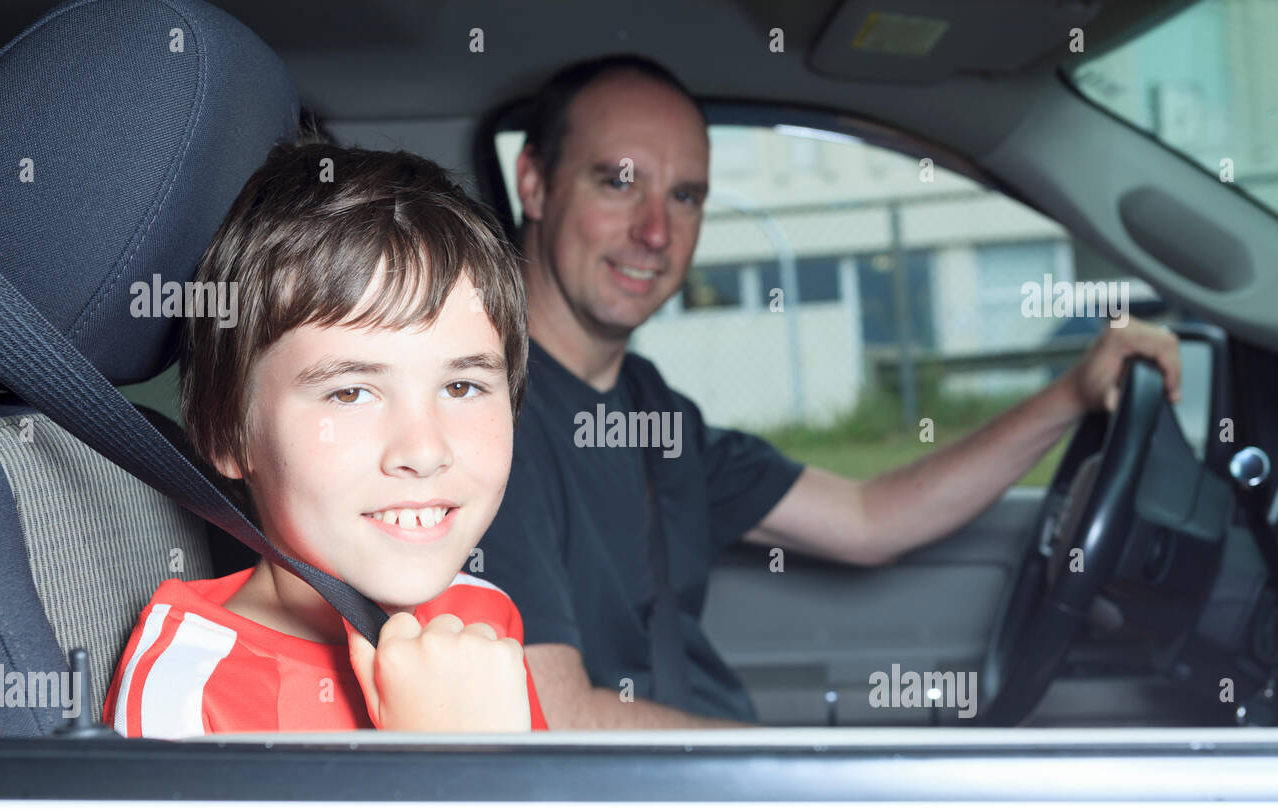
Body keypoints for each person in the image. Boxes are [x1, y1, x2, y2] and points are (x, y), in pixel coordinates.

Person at [474, 55, 1183, 729]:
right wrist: (798, 770)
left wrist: (1070, 395)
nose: (655, 231)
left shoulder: (652, 410)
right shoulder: (482, 424)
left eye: (685, 196)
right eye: (619, 182)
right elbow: (554, 720)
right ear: (534, 183)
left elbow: (869, 519)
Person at [104, 143, 545, 736]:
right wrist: (446, 762)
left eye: (463, 386)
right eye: (351, 393)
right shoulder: (187, 696)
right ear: (227, 433)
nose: (423, 450)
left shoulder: (478, 620)